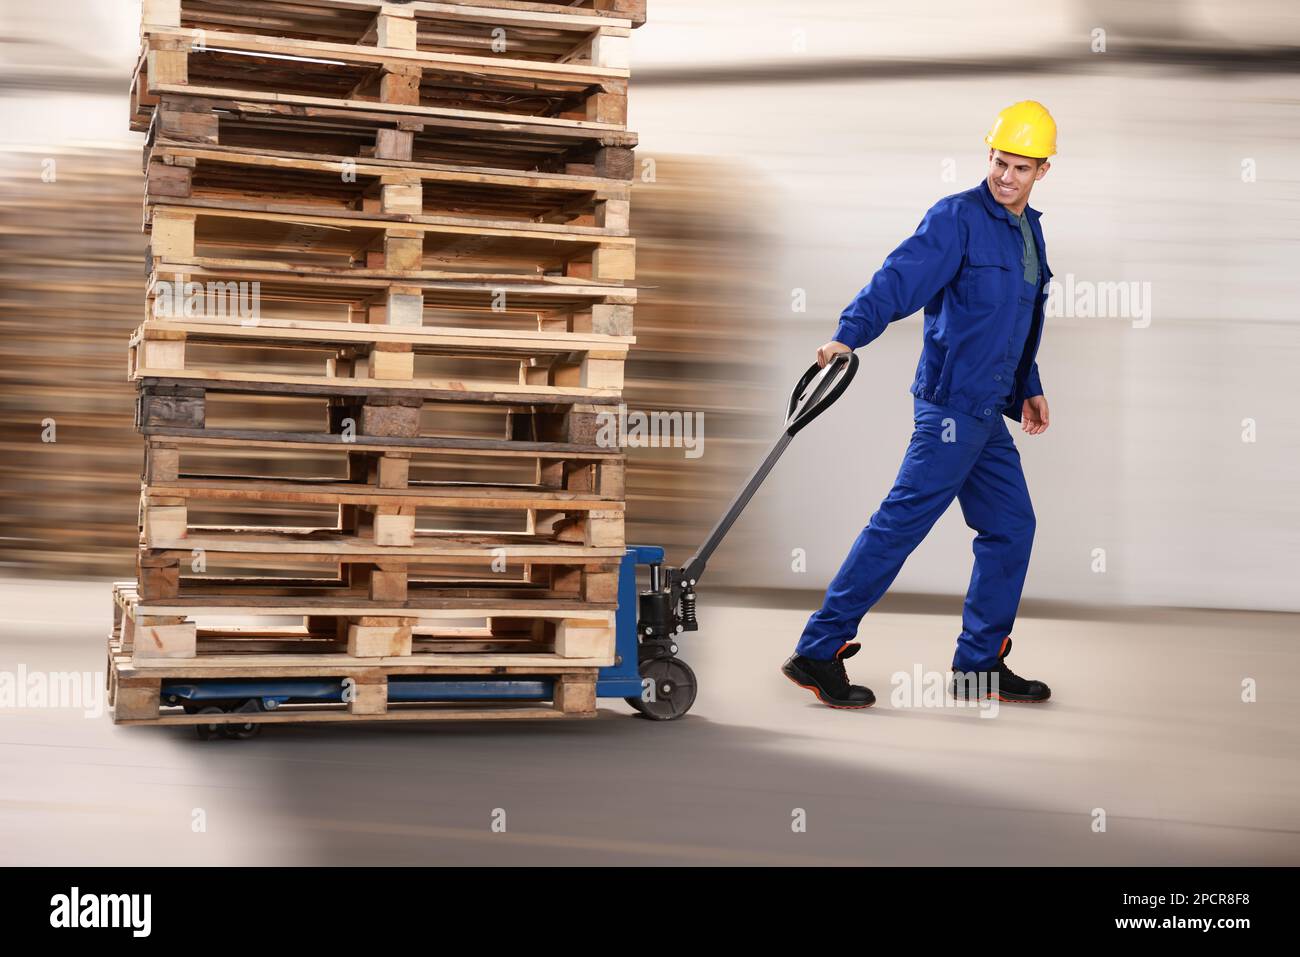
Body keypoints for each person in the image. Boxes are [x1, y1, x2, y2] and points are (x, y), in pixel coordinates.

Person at [782, 101, 1059, 709]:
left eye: (1020, 167)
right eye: (998, 161)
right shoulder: (957, 218)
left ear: (1043, 170)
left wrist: (1027, 384)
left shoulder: (1030, 231)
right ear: (989, 154)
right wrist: (848, 334)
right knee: (900, 526)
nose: (1005, 177)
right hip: (951, 410)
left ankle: (979, 664)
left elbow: (1016, 320)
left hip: (987, 411)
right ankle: (819, 648)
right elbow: (898, 280)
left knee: (1012, 527)